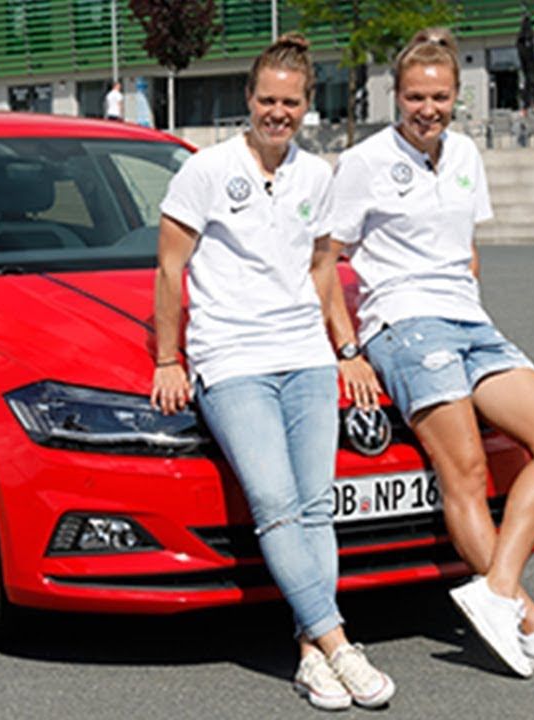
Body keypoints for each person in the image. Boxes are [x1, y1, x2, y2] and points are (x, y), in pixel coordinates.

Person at [312, 28, 534, 680]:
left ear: (455, 97)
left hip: (471, 324)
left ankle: (498, 592)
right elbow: (324, 260)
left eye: (440, 96)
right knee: (467, 474)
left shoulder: (467, 152)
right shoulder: (363, 162)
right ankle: (533, 623)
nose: (428, 108)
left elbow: (467, 249)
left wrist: (474, 305)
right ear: (397, 96)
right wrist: (349, 349)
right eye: (415, 96)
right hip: (406, 326)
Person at [150, 34, 395, 711]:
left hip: (305, 358)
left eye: (290, 102)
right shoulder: (205, 170)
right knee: (277, 506)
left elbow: (321, 269)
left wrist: (345, 350)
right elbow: (170, 268)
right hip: (231, 361)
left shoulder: (317, 176)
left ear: (305, 106)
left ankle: (310, 656)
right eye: (266, 99)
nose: (276, 112)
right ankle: (339, 640)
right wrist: (169, 358)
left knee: (316, 507)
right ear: (248, 100)